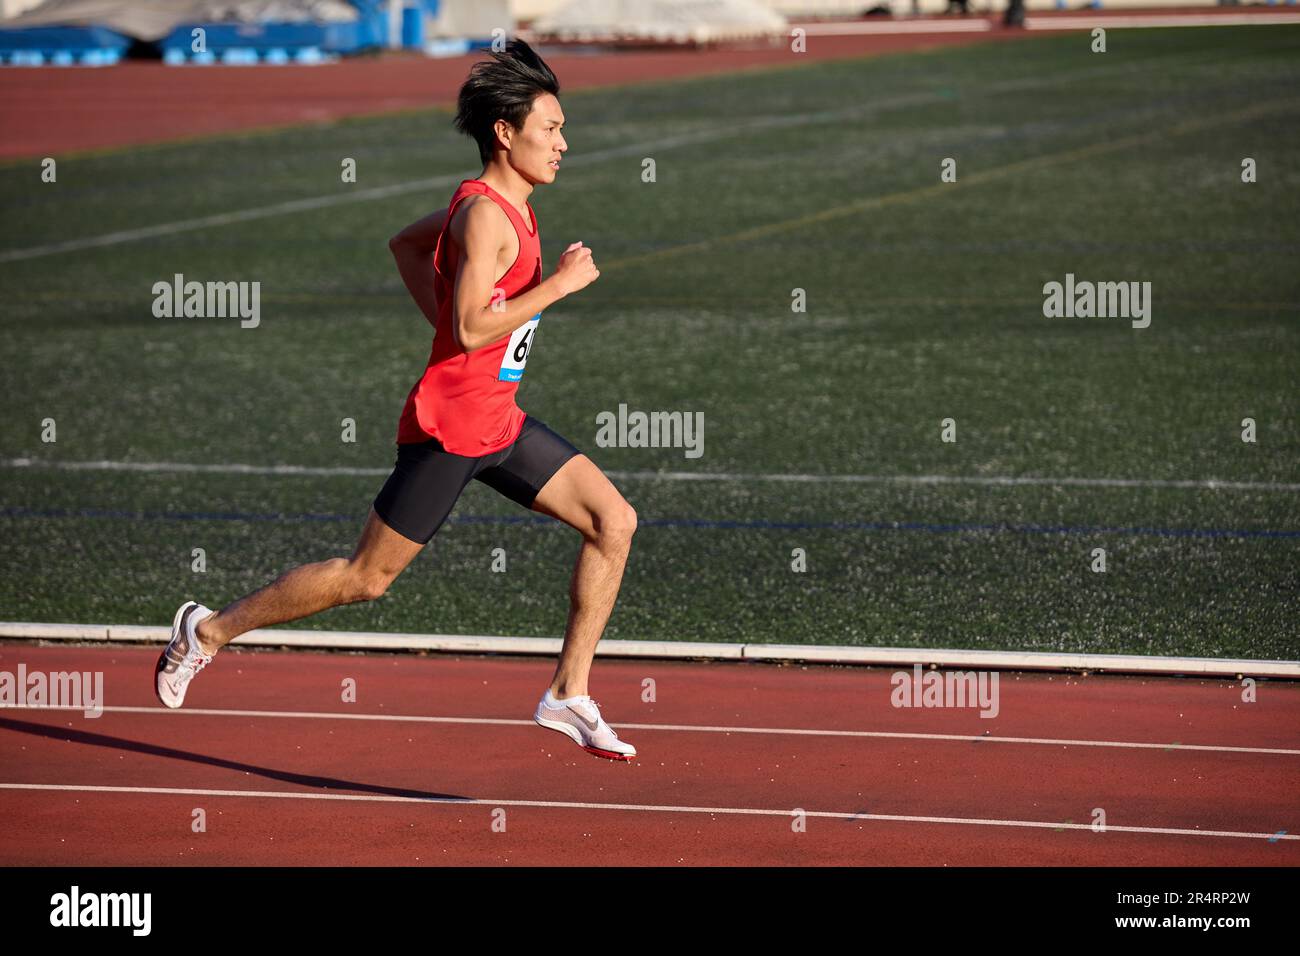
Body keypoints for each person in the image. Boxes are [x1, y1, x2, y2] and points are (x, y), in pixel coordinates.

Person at [155, 39, 640, 761]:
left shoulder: (506, 206)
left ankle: (568, 692)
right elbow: (475, 323)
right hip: (448, 432)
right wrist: (555, 288)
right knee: (365, 580)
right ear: (505, 134)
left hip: (497, 422)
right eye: (551, 129)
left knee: (614, 520)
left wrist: (447, 333)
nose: (563, 144)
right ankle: (207, 630)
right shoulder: (485, 218)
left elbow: (407, 249)